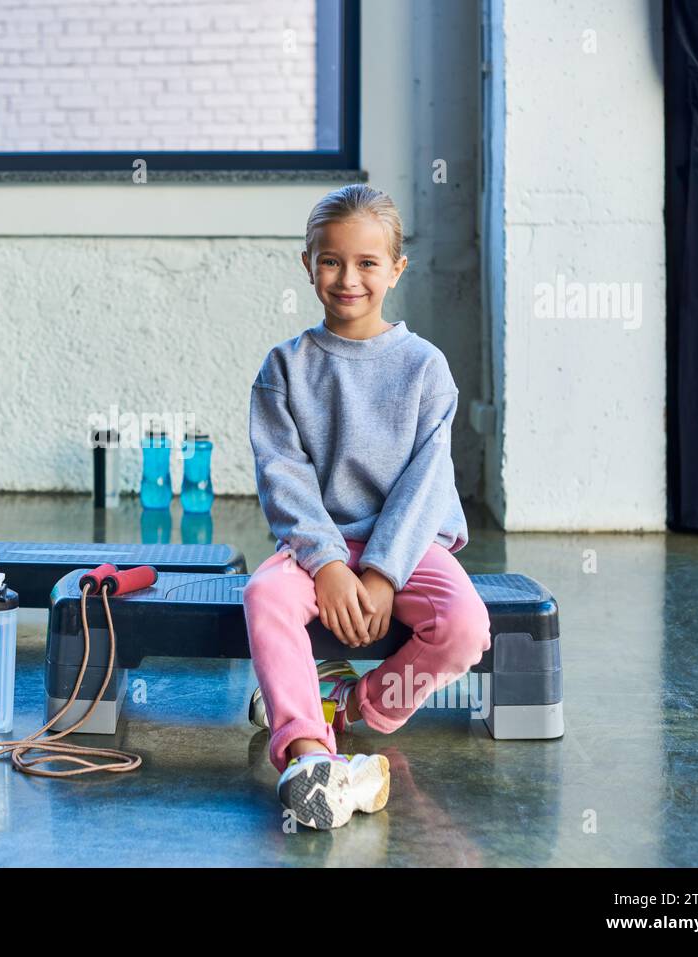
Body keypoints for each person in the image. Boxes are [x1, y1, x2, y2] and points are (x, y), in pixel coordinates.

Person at [244, 184, 492, 830]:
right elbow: (284, 477)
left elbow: (427, 481)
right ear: (307, 265)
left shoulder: (425, 368)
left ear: (396, 269)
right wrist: (327, 564)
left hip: (408, 546)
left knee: (465, 625)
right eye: (330, 261)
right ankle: (306, 752)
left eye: (367, 263)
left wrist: (382, 571)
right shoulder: (284, 368)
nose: (347, 278)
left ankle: (352, 707)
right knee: (264, 596)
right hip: (317, 545)